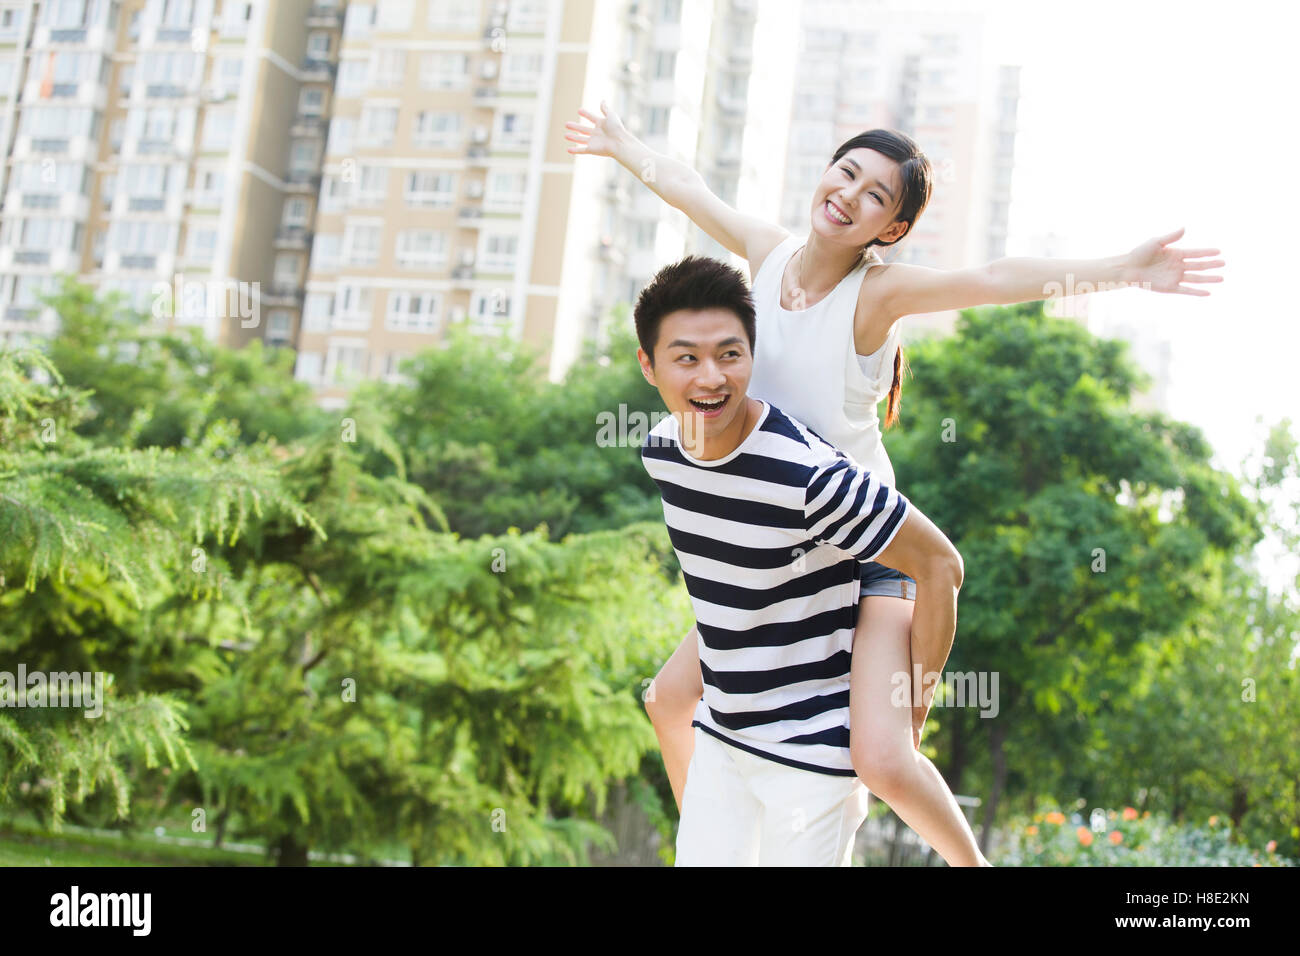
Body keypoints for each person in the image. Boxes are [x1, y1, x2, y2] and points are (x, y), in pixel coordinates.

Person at [567, 98, 1222, 867]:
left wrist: (1124, 270)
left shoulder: (875, 296)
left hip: (866, 550)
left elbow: (994, 277)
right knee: (670, 699)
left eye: (875, 195)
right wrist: (621, 145)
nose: (848, 194)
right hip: (784, 547)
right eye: (846, 172)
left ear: (891, 228)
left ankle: (972, 865)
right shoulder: (768, 255)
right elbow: (688, 188)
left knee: (881, 758)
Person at [635, 253, 964, 865]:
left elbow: (940, 564)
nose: (711, 377)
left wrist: (910, 711)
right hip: (725, 739)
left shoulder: (809, 478)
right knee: (665, 700)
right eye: (687, 358)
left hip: (811, 755)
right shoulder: (662, 452)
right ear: (648, 366)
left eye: (730, 354)